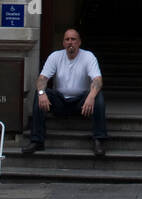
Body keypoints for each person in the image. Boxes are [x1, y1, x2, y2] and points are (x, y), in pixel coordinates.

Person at [23, 28, 107, 158]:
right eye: (67, 39)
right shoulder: (55, 56)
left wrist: (91, 96)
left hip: (81, 103)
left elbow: (97, 80)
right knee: (39, 93)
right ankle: (37, 141)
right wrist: (41, 92)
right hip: (60, 102)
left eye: (73, 39)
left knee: (98, 96)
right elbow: (42, 79)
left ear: (79, 42)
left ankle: (99, 140)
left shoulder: (88, 56)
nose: (70, 42)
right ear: (63, 43)